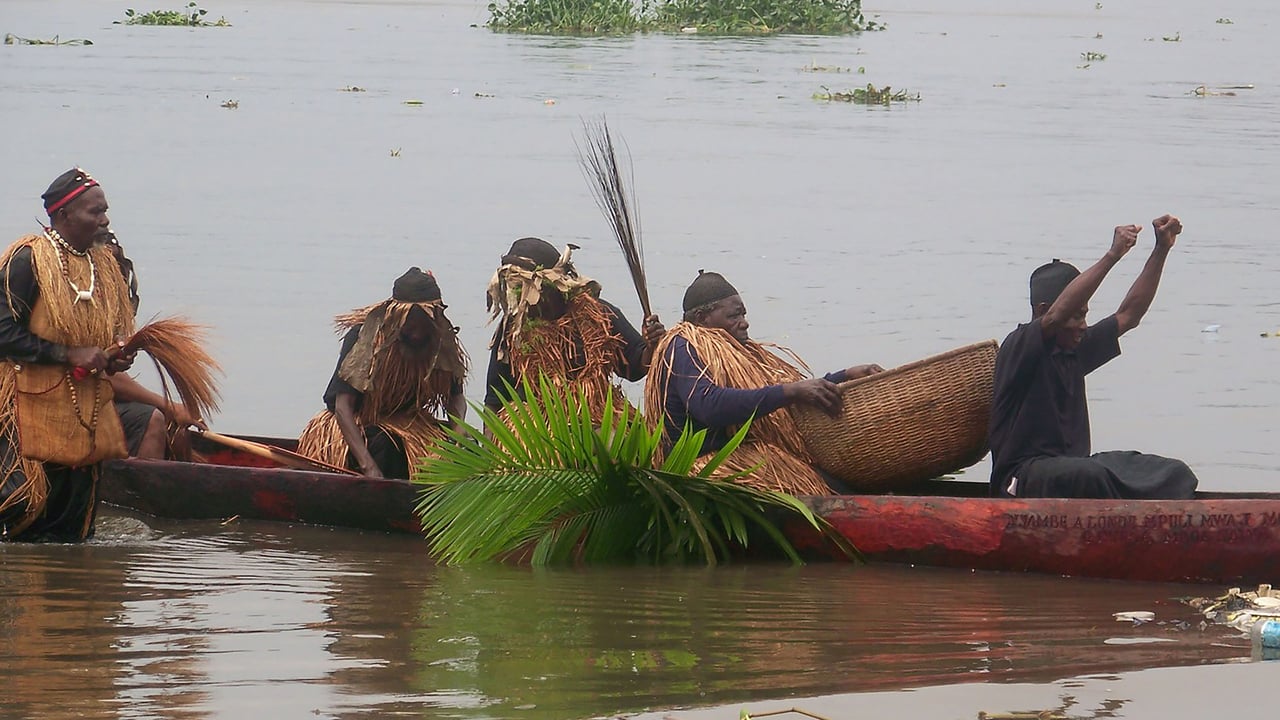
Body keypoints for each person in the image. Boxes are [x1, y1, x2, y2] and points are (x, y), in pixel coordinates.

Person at [988, 216, 1199, 499]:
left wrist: (1161, 248)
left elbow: (1129, 315)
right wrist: (1113, 256)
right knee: (1088, 475)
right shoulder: (1020, 345)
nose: (1084, 325)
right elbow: (1057, 315)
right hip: (1023, 476)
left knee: (1174, 473)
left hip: (1075, 467)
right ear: (1041, 311)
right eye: (1077, 316)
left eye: (1085, 315)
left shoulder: (1075, 348)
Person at [644, 270, 883, 496]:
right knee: (819, 488)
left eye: (743, 314)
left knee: (837, 482)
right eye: (734, 315)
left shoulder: (736, 351)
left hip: (741, 454)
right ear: (702, 318)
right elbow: (710, 406)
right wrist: (789, 392)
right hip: (705, 467)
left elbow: (782, 384)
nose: (744, 322)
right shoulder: (682, 347)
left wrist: (844, 375)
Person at [0, 168, 139, 542]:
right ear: (64, 215)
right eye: (95, 212)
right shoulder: (28, 260)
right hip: (26, 409)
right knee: (23, 513)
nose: (104, 219)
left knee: (76, 527)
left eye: (105, 210)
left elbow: (106, 335)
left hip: (85, 413)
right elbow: (2, 334)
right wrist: (67, 354)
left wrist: (113, 357)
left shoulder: (104, 266)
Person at [297, 268, 468, 479]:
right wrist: (369, 467)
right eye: (410, 325)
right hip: (360, 423)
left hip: (408, 423)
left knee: (469, 446)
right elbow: (343, 407)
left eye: (423, 325)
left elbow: (456, 397)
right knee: (386, 446)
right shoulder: (366, 338)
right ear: (397, 316)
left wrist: (457, 436)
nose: (416, 334)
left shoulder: (441, 340)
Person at [483, 237, 663, 420]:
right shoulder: (513, 330)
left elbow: (634, 368)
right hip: (535, 428)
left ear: (552, 285)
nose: (523, 299)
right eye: (517, 290)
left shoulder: (598, 314)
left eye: (527, 289)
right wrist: (488, 447)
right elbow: (495, 400)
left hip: (596, 419)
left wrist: (651, 346)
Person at [101, 231, 206, 459]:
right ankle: (141, 493)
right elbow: (104, 376)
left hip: (98, 401)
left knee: (177, 432)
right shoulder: (73, 308)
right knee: (152, 418)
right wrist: (170, 406)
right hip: (68, 407)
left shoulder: (109, 312)